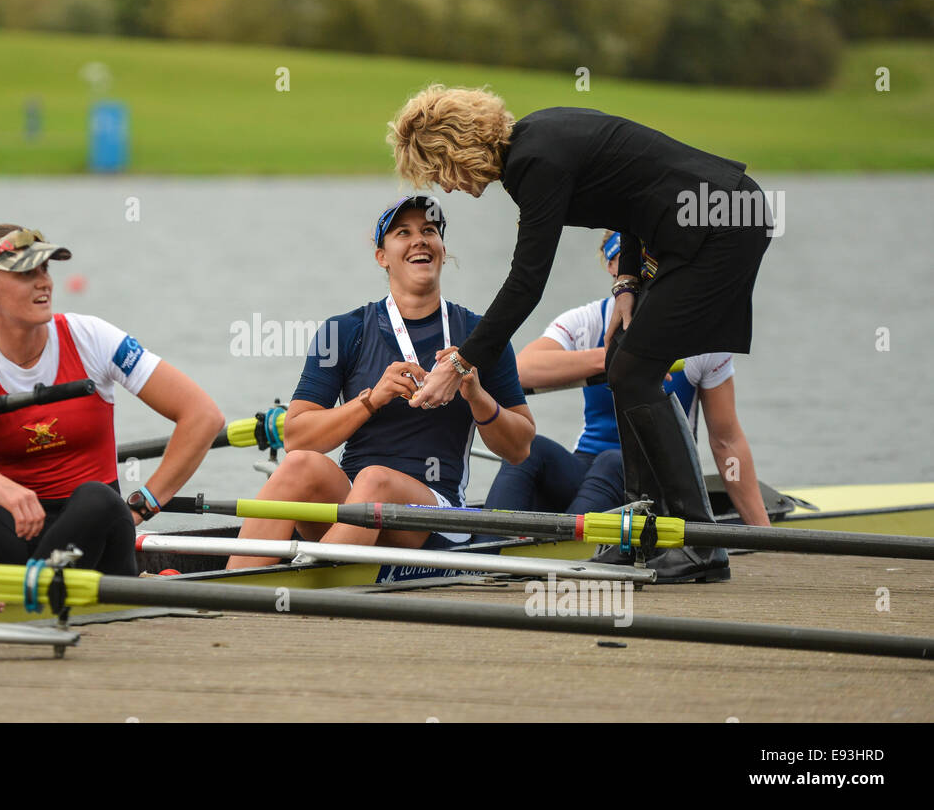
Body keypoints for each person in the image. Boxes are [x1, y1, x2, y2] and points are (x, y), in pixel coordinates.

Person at [389, 87, 773, 583]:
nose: (445, 185)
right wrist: (627, 281)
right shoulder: (541, 135)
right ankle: (644, 533)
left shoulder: (535, 162)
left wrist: (461, 362)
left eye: (440, 170)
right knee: (622, 365)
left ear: (457, 149)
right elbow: (635, 199)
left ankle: (699, 546)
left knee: (634, 372)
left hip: (724, 224)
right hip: (695, 226)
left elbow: (527, 281)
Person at [0, 225, 224, 575]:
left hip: (92, 539)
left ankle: (21, 590)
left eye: (45, 269)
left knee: (98, 498)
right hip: (12, 531)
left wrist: (144, 504)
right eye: (26, 272)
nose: (44, 282)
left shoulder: (91, 338)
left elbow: (202, 415)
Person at [226, 197, 533, 569]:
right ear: (382, 257)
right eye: (403, 233)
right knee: (298, 466)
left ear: (442, 250)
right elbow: (295, 437)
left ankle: (305, 579)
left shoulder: (480, 337)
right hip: (352, 500)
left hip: (433, 515)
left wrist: (477, 395)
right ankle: (235, 584)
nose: (419, 240)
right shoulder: (344, 331)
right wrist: (370, 401)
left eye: (429, 232)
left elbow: (519, 448)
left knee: (376, 481)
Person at [485, 231, 772, 582]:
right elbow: (520, 370)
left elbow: (726, 443)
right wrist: (611, 358)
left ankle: (561, 551)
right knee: (532, 451)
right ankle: (483, 551)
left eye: (651, 255)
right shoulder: (588, 321)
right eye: (629, 257)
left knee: (612, 459)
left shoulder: (701, 336)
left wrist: (763, 533)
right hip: (588, 470)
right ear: (612, 267)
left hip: (660, 486)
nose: (642, 268)